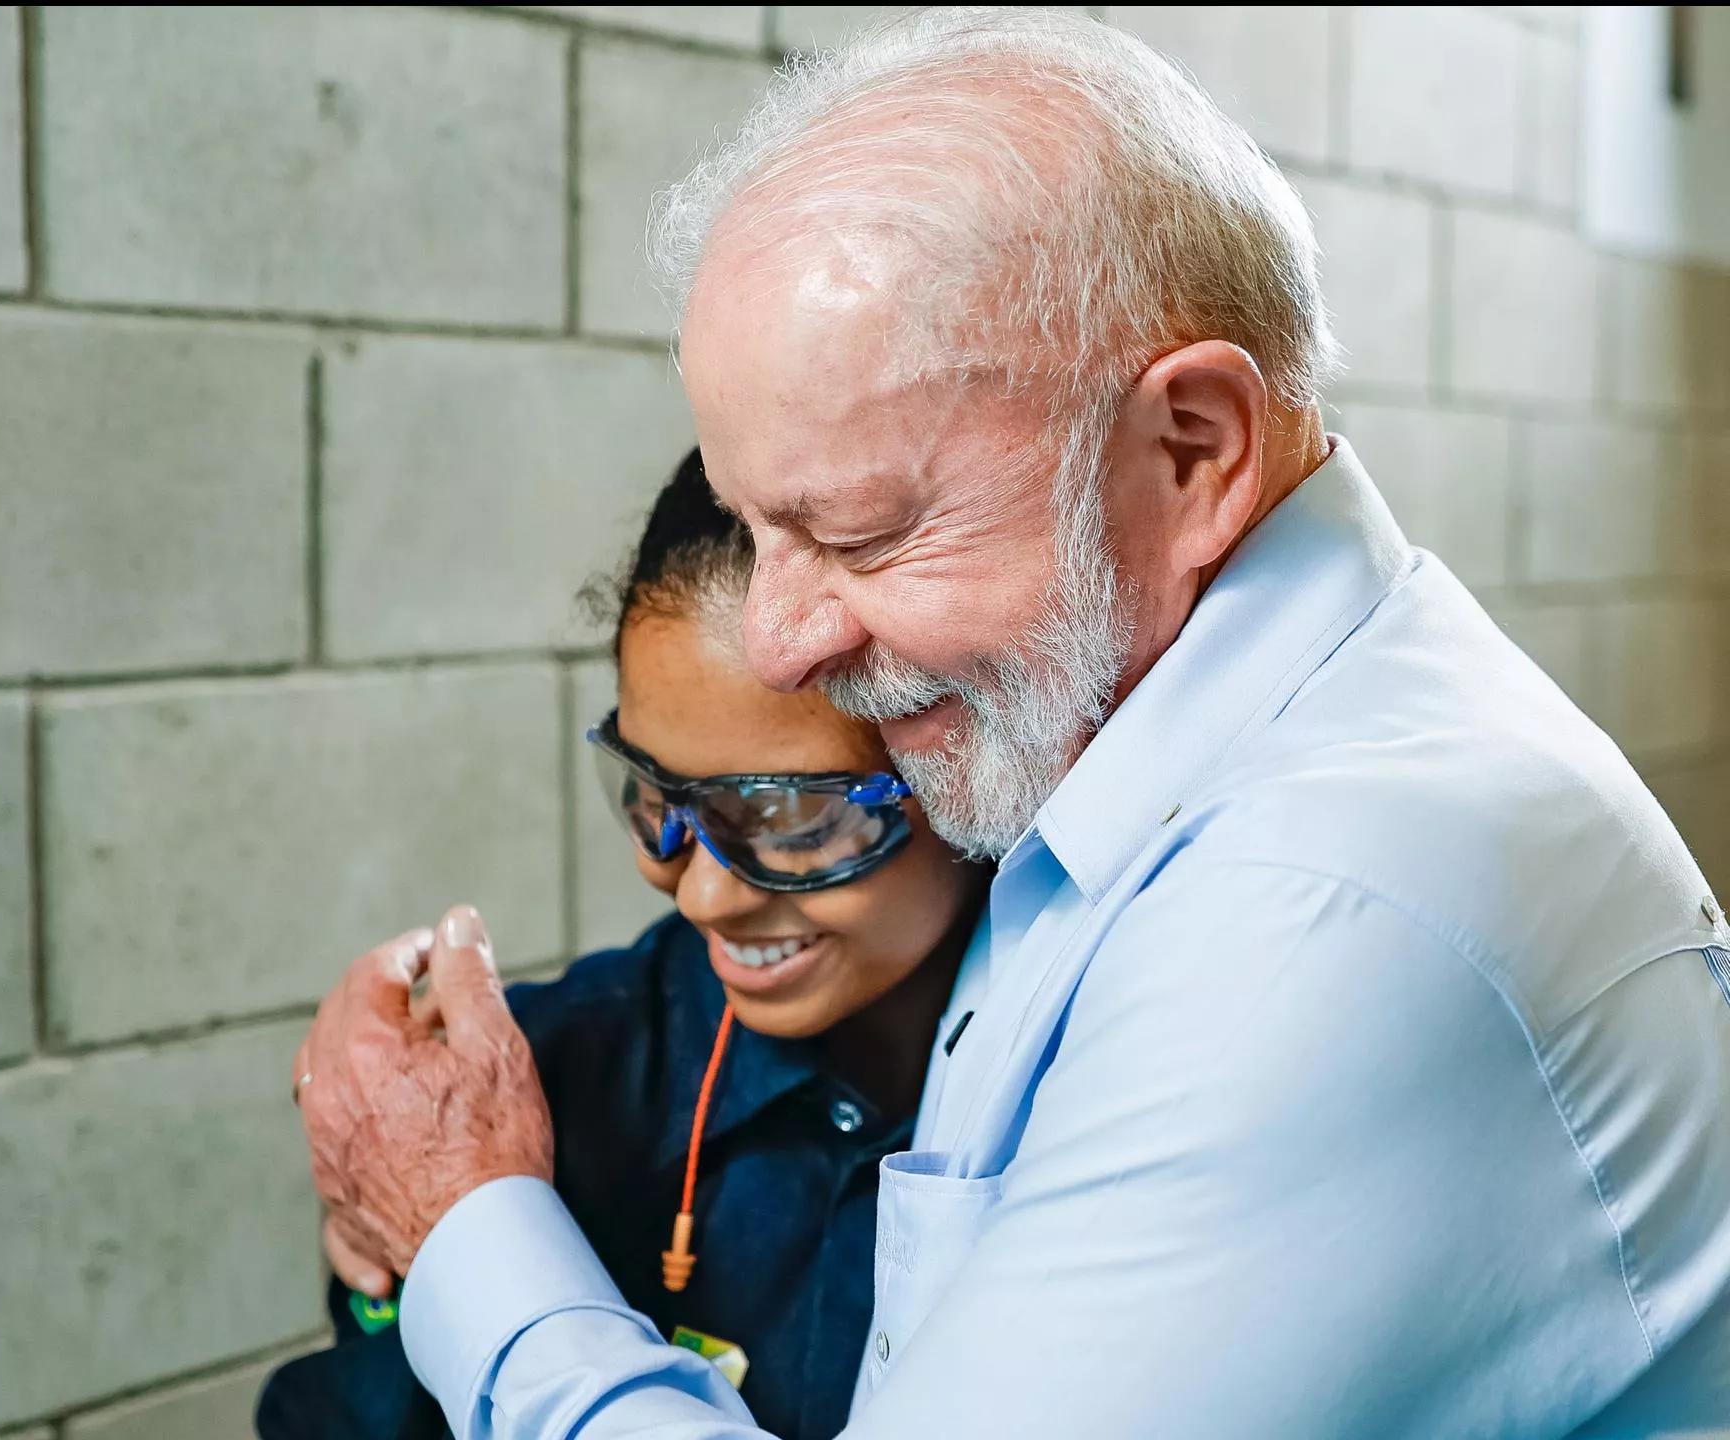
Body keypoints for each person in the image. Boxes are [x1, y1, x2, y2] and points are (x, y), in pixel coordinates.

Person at [288, 10, 1730, 1439]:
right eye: (754, 527)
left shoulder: (1331, 905)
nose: (786, 643)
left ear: (1196, 447)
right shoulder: (1110, 779)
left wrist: (473, 1241)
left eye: (858, 534)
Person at [257, 449, 985, 1440]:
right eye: (656, 797)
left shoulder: (1103, 1072)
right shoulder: (532, 1095)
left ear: (975, 768)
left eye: (789, 818)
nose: (705, 893)